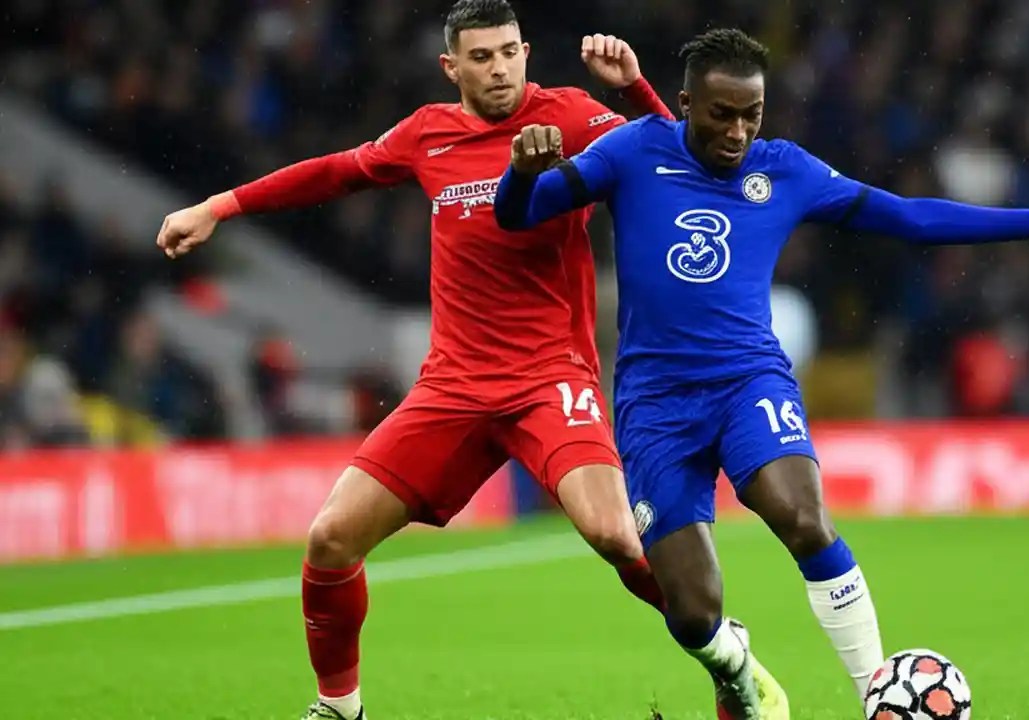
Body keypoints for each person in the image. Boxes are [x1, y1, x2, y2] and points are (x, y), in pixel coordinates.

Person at [493, 27, 1029, 715]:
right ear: (686, 103)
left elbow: (905, 217)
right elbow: (517, 217)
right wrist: (522, 172)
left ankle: (876, 694)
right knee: (694, 613)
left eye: (751, 115)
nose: (737, 132)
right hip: (655, 404)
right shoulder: (632, 151)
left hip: (747, 380)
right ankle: (735, 668)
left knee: (804, 516)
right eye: (721, 115)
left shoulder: (784, 170)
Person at [156, 2, 678, 718]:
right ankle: (339, 707)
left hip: (550, 376)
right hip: (454, 386)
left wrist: (637, 90)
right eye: (482, 57)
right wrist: (220, 206)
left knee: (617, 535)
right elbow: (336, 172)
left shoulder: (575, 117)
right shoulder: (425, 134)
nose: (498, 69)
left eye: (508, 53)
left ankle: (721, 646)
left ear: (526, 51)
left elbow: (679, 164)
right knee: (331, 539)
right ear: (451, 66)